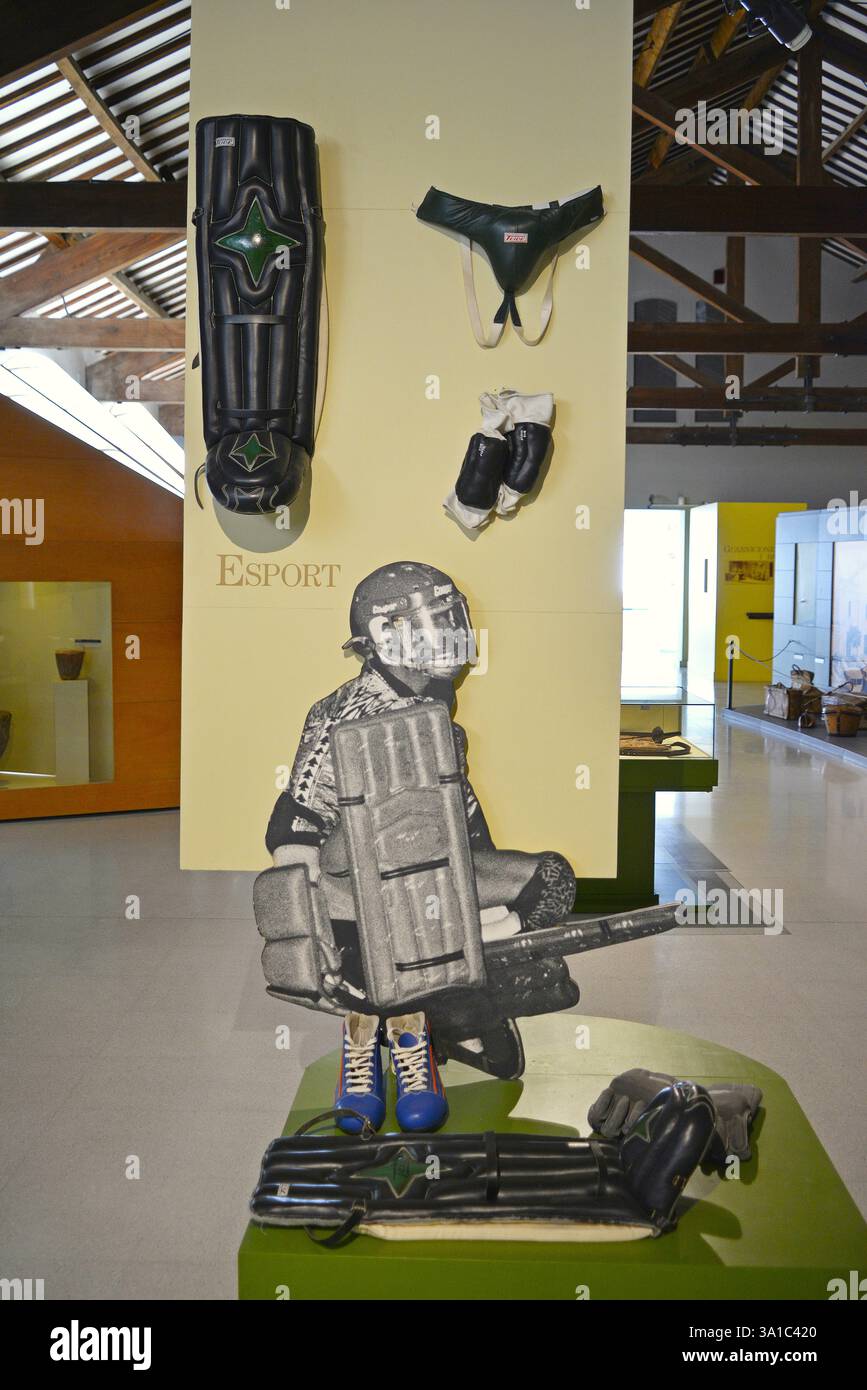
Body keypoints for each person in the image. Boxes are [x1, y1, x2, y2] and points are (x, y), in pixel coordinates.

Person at [264, 561, 579, 1131]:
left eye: (452, 618)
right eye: (437, 622)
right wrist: (305, 920)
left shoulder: (436, 710)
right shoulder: (340, 712)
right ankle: (383, 1033)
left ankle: (450, 1007)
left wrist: (481, 899)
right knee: (385, 891)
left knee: (547, 880)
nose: (454, 635)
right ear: (386, 635)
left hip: (437, 873)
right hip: (362, 884)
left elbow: (461, 826)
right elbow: (298, 820)